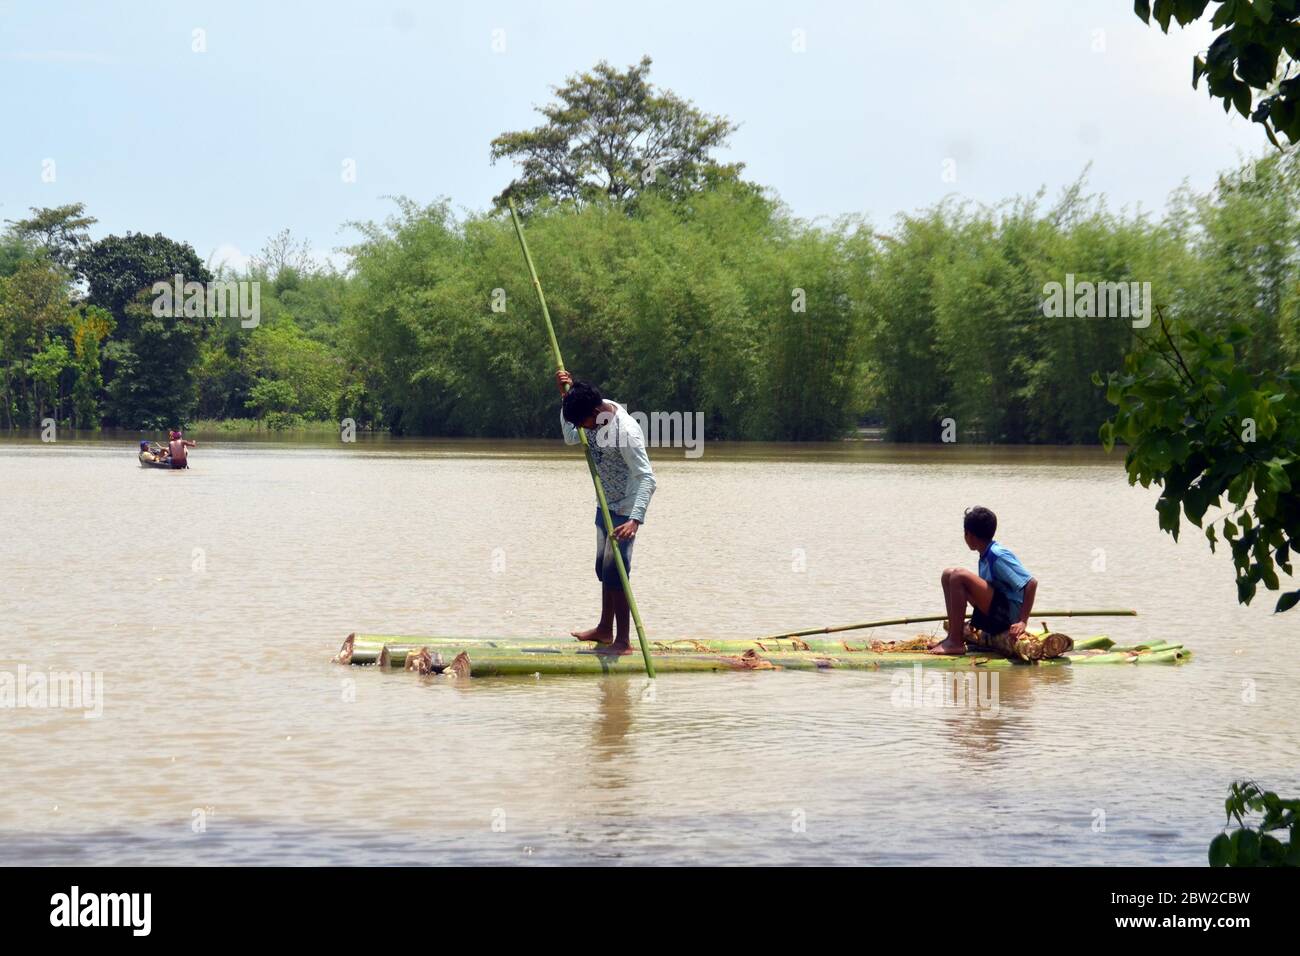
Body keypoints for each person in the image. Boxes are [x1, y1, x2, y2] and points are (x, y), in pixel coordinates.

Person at [557, 370, 656, 655]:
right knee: (603, 569)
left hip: (625, 510)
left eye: (583, 423)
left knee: (617, 572)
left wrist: (635, 520)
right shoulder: (589, 414)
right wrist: (564, 395)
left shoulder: (625, 432)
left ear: (595, 411)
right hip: (605, 504)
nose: (582, 429)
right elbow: (569, 437)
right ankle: (604, 629)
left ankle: (623, 642)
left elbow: (647, 478)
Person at [930, 506, 1037, 656]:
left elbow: (1031, 583)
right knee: (948, 574)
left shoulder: (997, 554)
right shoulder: (985, 554)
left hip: (1008, 617)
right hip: (995, 612)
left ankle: (956, 642)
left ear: (969, 535)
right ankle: (953, 636)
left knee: (958, 575)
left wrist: (1022, 621)